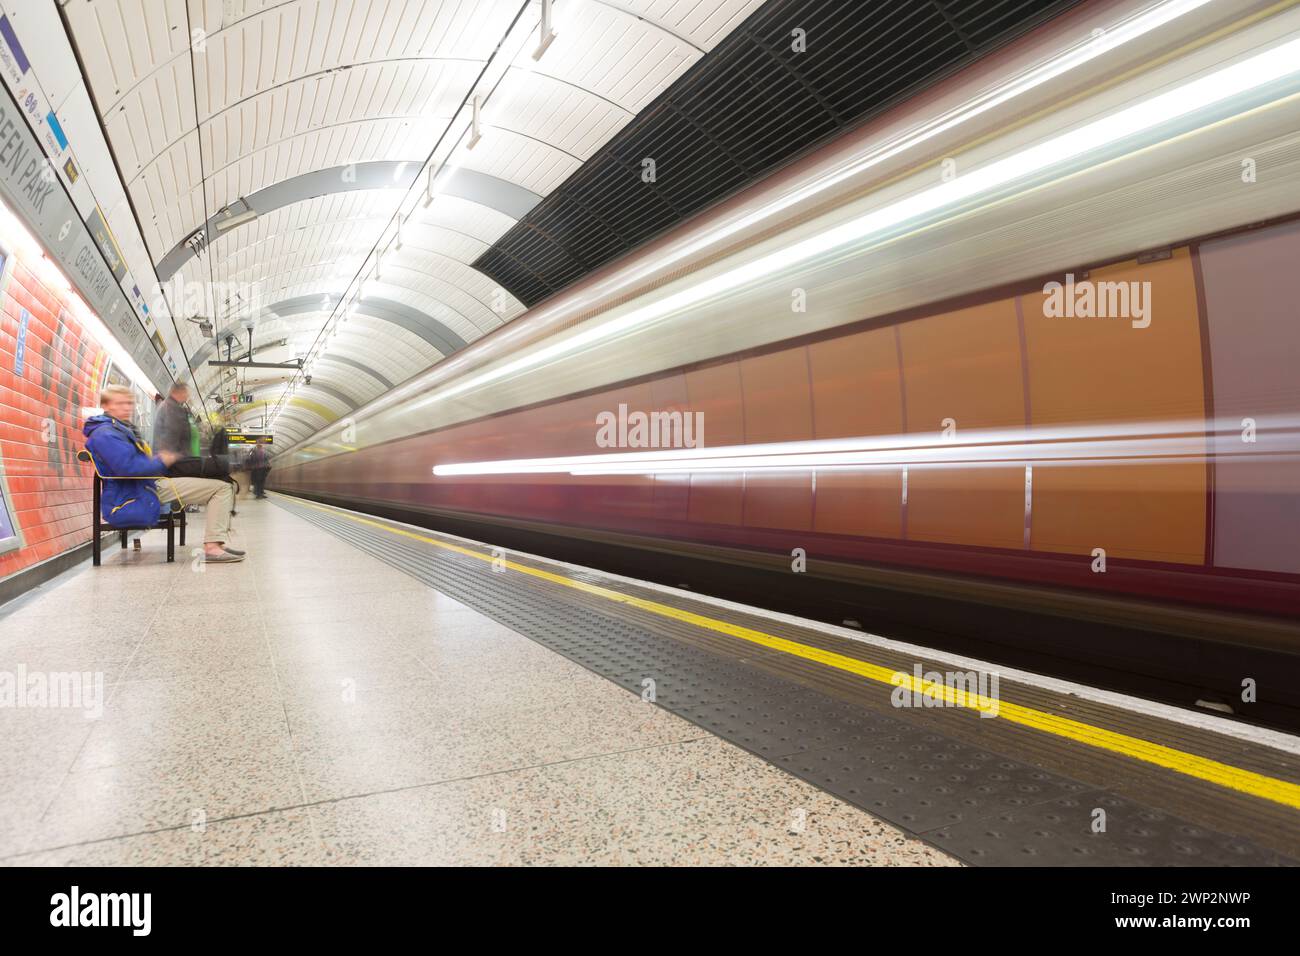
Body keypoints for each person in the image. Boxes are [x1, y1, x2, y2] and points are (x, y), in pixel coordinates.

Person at [84, 385, 246, 563]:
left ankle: (217, 543)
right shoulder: (106, 434)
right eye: (120, 403)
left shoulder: (116, 429)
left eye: (129, 403)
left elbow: (131, 464)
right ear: (106, 405)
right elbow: (127, 468)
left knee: (217, 478)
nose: (127, 407)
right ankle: (213, 547)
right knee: (221, 488)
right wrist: (161, 461)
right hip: (140, 491)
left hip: (144, 485)